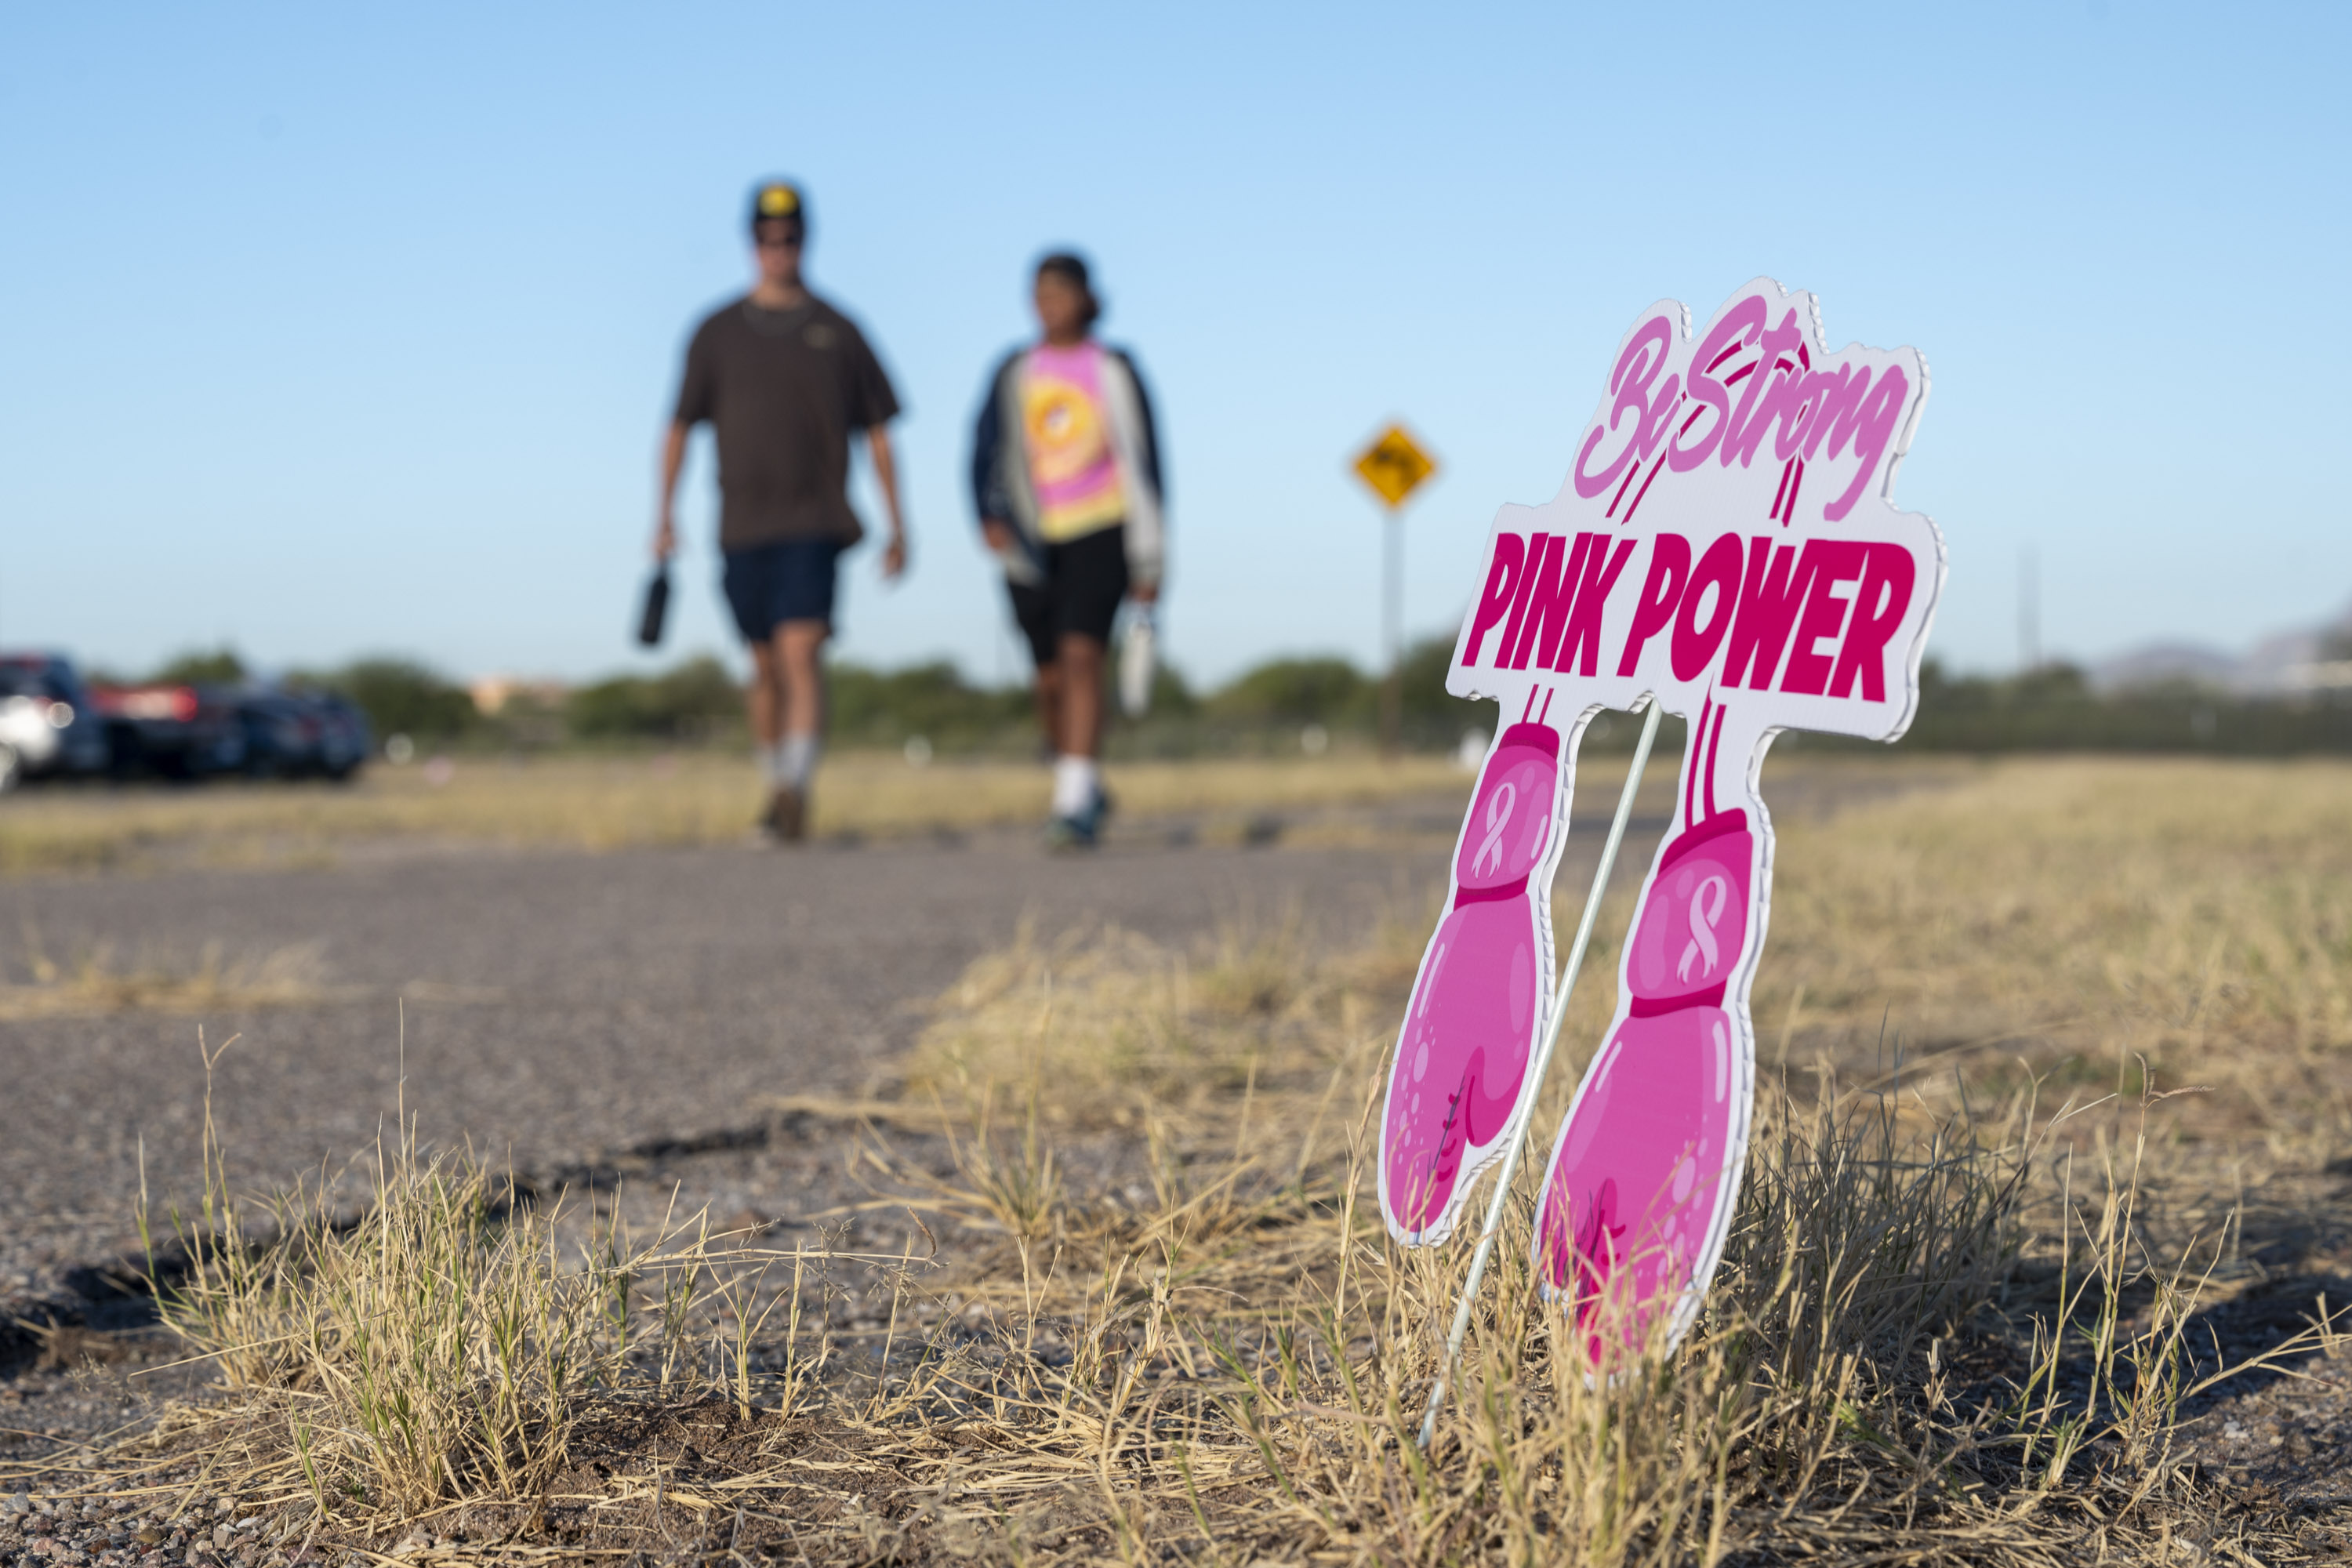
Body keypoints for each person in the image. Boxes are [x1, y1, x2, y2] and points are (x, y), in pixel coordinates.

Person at [655, 179, 907, 842]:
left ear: (805, 240)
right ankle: (775, 783)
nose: (778, 249)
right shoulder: (716, 332)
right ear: (751, 244)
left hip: (816, 519)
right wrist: (663, 515)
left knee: (801, 648)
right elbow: (678, 428)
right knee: (763, 662)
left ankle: (796, 787)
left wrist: (898, 522)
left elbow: (879, 431)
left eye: (789, 238)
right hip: (742, 523)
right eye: (767, 239)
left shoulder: (840, 330)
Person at [970, 252, 1164, 848]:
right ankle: (1078, 775)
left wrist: (1150, 556)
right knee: (1049, 675)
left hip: (1102, 527)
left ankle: (1073, 801)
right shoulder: (1013, 371)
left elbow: (1148, 462)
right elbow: (984, 449)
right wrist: (989, 515)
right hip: (1032, 539)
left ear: (1086, 298)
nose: (1050, 306)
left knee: (1083, 657)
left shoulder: (1113, 368)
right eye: (1040, 295)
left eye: (1061, 293)